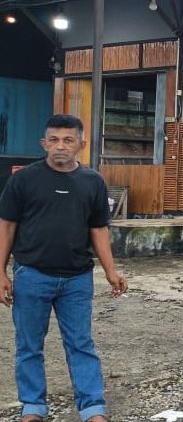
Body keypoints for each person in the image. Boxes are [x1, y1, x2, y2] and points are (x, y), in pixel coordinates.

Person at [0, 114, 129, 422]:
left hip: (77, 279)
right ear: (44, 143)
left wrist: (111, 271)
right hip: (32, 275)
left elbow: (99, 229)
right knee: (29, 346)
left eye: (68, 140)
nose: (60, 146)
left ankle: (92, 408)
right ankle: (32, 407)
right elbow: (7, 226)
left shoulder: (93, 182)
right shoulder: (23, 180)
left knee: (81, 344)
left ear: (81, 145)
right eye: (54, 140)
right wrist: (1, 272)